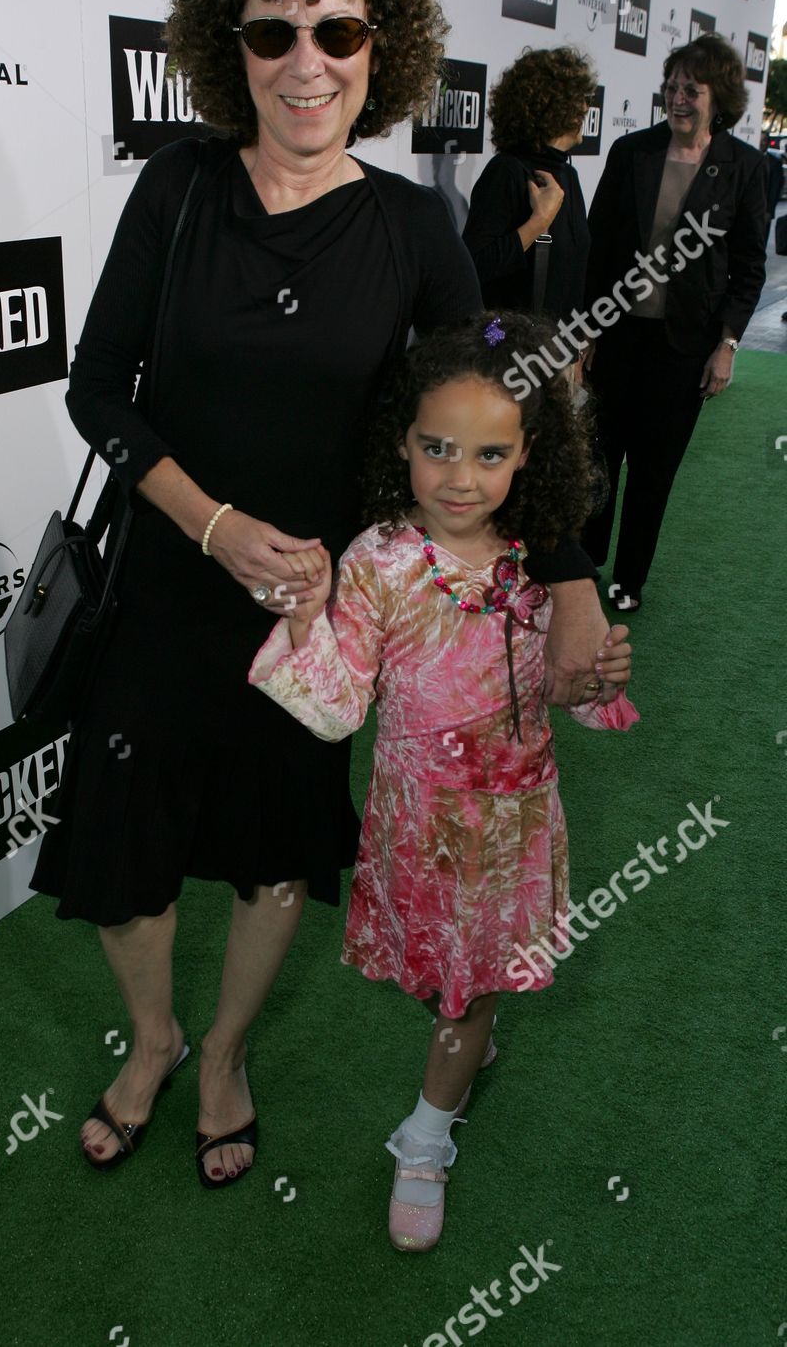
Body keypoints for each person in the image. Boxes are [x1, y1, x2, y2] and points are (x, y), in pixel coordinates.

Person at [30, 0, 620, 1189]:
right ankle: (152, 1040)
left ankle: (226, 1054)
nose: (306, 59)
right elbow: (96, 390)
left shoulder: (410, 228)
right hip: (165, 591)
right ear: (226, 48)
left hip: (317, 617)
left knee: (270, 857)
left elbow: (489, 396)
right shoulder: (179, 186)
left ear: (381, 50)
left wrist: (569, 576)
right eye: (273, 30)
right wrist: (217, 525)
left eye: (338, 29)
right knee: (123, 863)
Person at [250, 315, 637, 1250]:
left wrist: (597, 682)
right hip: (415, 824)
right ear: (403, 444)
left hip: (512, 827)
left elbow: (573, 698)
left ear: (529, 455)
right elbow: (339, 703)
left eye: (490, 454)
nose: (461, 477)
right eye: (438, 449)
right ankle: (464, 1040)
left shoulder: (541, 564)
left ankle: (425, 1139)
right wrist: (306, 618)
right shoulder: (377, 560)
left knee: (468, 990)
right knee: (441, 980)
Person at [582, 34, 766, 611]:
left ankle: (628, 580)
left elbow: (748, 266)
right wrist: (587, 329)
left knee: (654, 471)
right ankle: (586, 563)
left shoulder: (745, 167)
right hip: (618, 333)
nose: (678, 97)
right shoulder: (631, 151)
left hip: (684, 347)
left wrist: (727, 343)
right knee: (598, 458)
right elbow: (600, 245)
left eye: (693, 88)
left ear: (719, 98)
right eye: (672, 85)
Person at [462, 46, 597, 372]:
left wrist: (575, 348)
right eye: (580, 97)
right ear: (555, 105)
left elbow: (570, 279)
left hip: (557, 358)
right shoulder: (507, 172)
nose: (587, 108)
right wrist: (539, 222)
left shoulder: (569, 174)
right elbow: (473, 268)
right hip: (507, 357)